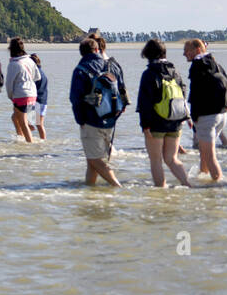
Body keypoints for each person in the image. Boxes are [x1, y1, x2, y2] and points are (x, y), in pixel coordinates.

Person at [136, 39, 192, 187]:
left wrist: (145, 126)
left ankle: (161, 193)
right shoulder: (175, 72)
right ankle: (188, 185)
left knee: (156, 160)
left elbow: (144, 103)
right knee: (172, 159)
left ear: (147, 54)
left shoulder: (149, 74)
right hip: (176, 121)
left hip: (155, 123)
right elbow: (183, 95)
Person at [68, 37, 124, 188]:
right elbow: (122, 92)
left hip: (91, 120)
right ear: (98, 50)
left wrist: (81, 121)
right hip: (110, 119)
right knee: (92, 160)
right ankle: (90, 189)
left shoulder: (81, 69)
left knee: (94, 160)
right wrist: (116, 114)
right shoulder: (113, 66)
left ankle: (117, 186)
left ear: (81, 53)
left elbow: (75, 99)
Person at [183, 38, 227, 182]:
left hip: (207, 116)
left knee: (210, 156)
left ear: (197, 49)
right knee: (205, 152)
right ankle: (202, 178)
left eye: (187, 51)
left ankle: (218, 183)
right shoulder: (214, 62)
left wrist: (194, 116)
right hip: (222, 114)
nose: (184, 54)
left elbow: (196, 93)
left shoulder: (198, 65)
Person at [2, 37, 39, 142]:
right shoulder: (30, 61)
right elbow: (38, 77)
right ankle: (20, 138)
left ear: (11, 49)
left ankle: (29, 143)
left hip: (21, 95)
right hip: (32, 94)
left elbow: (9, 83)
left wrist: (10, 96)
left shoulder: (13, 64)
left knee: (22, 122)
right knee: (15, 117)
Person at [31, 53, 49, 140]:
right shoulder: (43, 73)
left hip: (37, 101)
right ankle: (43, 140)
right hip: (44, 101)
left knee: (33, 123)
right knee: (40, 124)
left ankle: (28, 138)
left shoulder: (36, 74)